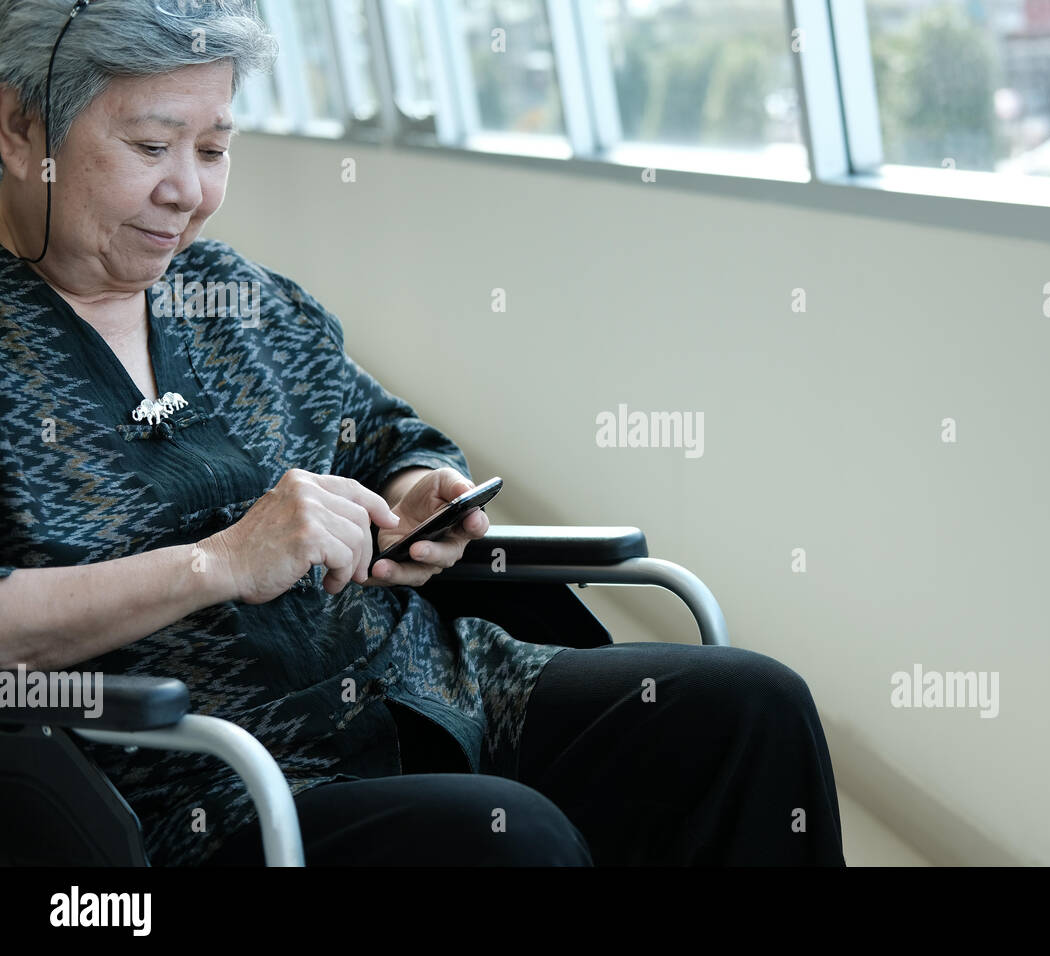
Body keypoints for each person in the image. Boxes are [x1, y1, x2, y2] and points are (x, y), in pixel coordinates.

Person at [0, 0, 846, 866]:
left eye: (213, 150)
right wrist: (218, 562)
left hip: (442, 691)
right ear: (21, 128)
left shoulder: (237, 297)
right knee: (513, 839)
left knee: (749, 710)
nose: (189, 191)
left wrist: (415, 489)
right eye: (150, 147)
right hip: (214, 787)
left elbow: (391, 433)